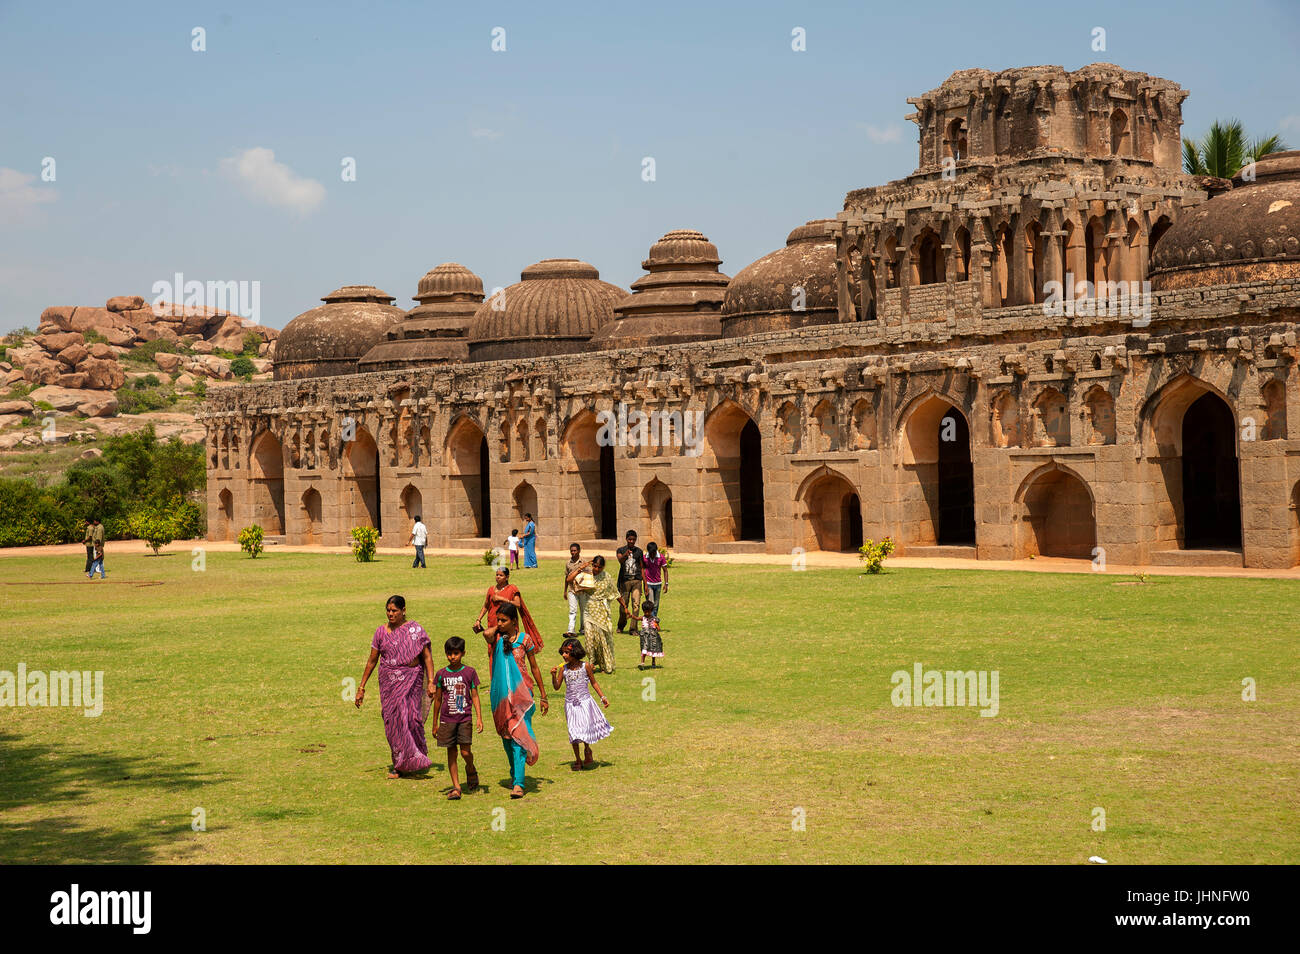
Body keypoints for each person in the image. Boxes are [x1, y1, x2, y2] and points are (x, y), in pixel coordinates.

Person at [354, 595, 434, 778]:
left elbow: (427, 657)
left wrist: (430, 682)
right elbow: (372, 660)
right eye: (388, 610)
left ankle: (416, 758)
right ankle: (400, 765)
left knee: (412, 719)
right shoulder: (381, 633)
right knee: (394, 722)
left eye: (394, 611)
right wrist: (361, 687)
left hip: (412, 680)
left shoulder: (415, 630)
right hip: (389, 683)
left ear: (403, 610)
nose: (391, 614)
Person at [476, 603, 547, 798]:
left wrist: (543, 695)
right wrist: (499, 627)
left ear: (514, 621)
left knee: (519, 737)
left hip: (523, 696)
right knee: (506, 738)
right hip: (501, 696)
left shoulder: (525, 640)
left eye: (503, 620)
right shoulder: (498, 638)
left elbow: (534, 667)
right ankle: (515, 772)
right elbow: (486, 634)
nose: (499, 623)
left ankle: (519, 783)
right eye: (498, 619)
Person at [550, 636, 611, 770]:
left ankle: (587, 750)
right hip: (571, 705)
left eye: (567, 652)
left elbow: (594, 682)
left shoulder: (586, 666)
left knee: (584, 729)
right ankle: (577, 760)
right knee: (573, 731)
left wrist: (602, 697)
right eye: (563, 652)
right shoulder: (564, 670)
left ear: (575, 652)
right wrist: (554, 676)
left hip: (585, 703)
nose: (564, 655)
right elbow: (556, 687)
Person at [433, 636, 482, 800]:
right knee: (451, 753)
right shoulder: (441, 674)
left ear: (463, 653)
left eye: (455, 653)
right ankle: (456, 787)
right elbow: (438, 700)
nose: (452, 657)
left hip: (464, 719)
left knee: (465, 752)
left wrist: (479, 718)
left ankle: (470, 768)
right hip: (447, 720)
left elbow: (474, 696)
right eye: (449, 653)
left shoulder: (470, 672)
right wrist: (435, 723)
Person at [476, 567, 544, 650]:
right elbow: (486, 606)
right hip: (493, 623)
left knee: (509, 648)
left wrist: (502, 599)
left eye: (501, 575)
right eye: (497, 575)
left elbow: (518, 604)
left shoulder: (512, 588)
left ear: (507, 577)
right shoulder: (491, 589)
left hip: (508, 625)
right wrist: (478, 619)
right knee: (493, 650)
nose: (498, 577)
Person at [580, 555, 627, 675]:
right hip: (588, 610)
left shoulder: (606, 577)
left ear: (603, 567)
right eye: (594, 566)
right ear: (592, 564)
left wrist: (625, 607)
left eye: (599, 567)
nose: (596, 569)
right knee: (589, 638)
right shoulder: (586, 575)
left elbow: (615, 593)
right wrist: (582, 567)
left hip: (601, 611)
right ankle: (591, 662)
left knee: (602, 639)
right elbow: (570, 580)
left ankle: (603, 664)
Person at [615, 530, 644, 633]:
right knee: (623, 606)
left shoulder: (639, 551)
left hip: (636, 581)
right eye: (630, 539)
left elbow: (642, 568)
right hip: (624, 582)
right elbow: (620, 560)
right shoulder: (621, 550)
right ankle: (621, 625)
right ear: (626, 539)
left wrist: (645, 584)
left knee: (636, 605)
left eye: (633, 539)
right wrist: (625, 555)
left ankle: (633, 628)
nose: (632, 541)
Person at [563, 542, 588, 635]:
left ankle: (583, 629)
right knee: (572, 610)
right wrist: (565, 591)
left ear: (579, 551)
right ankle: (571, 630)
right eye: (571, 551)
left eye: (575, 551)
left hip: (582, 590)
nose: (573, 552)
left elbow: (589, 575)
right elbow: (566, 578)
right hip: (572, 590)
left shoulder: (584, 562)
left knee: (583, 610)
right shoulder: (568, 563)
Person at [642, 542, 668, 617]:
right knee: (651, 604)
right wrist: (645, 585)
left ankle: (653, 622)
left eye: (654, 553)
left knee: (656, 605)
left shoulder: (661, 557)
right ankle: (652, 623)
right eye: (651, 553)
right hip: (648, 583)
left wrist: (666, 584)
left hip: (658, 584)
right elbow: (642, 571)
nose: (652, 555)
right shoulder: (644, 557)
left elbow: (665, 570)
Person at [637, 599, 663, 668]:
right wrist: (630, 616)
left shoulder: (654, 619)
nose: (647, 614)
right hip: (645, 636)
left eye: (648, 612)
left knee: (653, 649)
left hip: (653, 636)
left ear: (651, 611)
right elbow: (636, 618)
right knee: (644, 648)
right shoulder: (643, 618)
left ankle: (653, 662)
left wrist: (656, 626)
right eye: (645, 612)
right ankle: (642, 662)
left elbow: (659, 629)